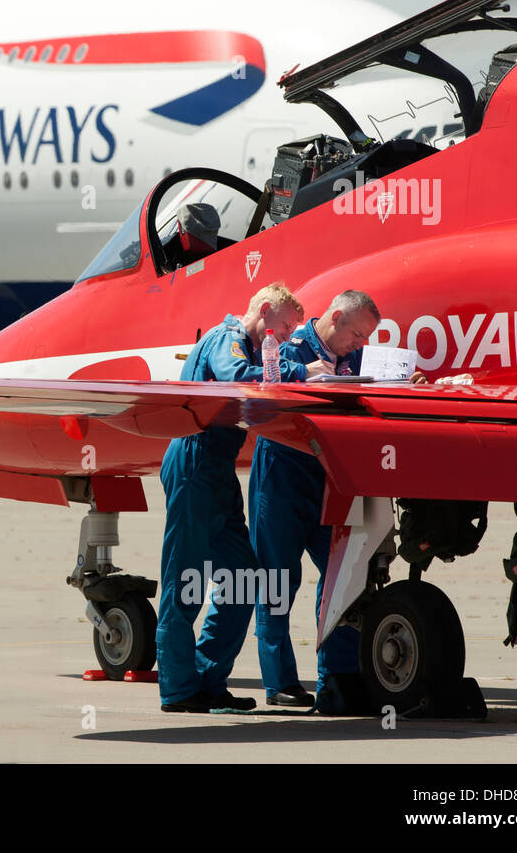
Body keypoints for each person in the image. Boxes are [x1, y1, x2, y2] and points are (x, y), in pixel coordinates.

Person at [157, 282, 334, 712]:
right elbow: (236, 378)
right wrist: (298, 374)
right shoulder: (229, 340)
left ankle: (208, 678)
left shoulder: (257, 349)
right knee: (184, 579)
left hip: (216, 469)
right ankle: (179, 690)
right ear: (266, 310)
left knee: (245, 577)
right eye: (286, 324)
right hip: (194, 463)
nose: (289, 333)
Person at [248, 289, 395, 711]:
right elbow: (264, 376)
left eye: (367, 338)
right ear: (335, 318)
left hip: (328, 479)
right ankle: (279, 682)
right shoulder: (290, 344)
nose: (361, 344)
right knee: (277, 580)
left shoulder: (356, 359)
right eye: (358, 334)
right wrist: (303, 373)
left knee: (342, 574)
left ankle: (336, 679)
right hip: (281, 475)